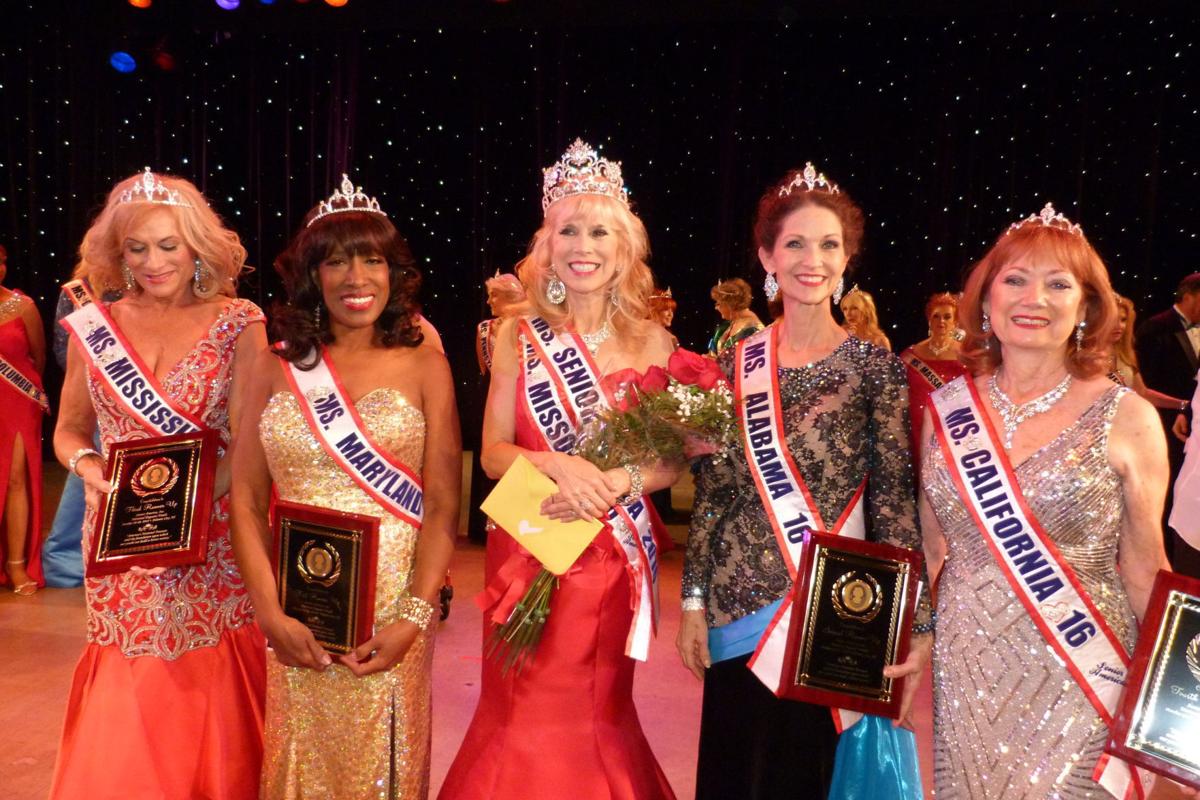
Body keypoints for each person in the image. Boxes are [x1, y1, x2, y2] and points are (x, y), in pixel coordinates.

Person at [678, 162, 931, 799]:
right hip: (737, 613)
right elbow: (713, 494)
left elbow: (895, 504)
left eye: (828, 245)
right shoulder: (732, 364)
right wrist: (691, 602)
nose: (811, 260)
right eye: (794, 243)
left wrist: (914, 625)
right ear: (766, 255)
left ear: (847, 261)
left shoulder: (876, 368)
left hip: (833, 622)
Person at [440, 138, 679, 799]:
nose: (584, 244)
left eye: (600, 230)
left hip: (608, 553)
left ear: (625, 246)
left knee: (591, 708)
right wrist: (554, 464)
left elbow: (668, 460)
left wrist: (618, 483)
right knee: (517, 701)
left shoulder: (657, 343)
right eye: (568, 229)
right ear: (548, 246)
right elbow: (491, 453)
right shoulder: (518, 333)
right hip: (526, 535)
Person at [920, 203, 1171, 797]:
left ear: (1085, 308)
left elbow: (1143, 569)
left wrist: (1175, 701)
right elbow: (934, 551)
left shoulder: (1127, 418)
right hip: (967, 665)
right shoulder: (946, 411)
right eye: (1015, 279)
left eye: (1058, 284)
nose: (1034, 298)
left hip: (1082, 665)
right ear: (985, 301)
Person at [229, 175, 461, 799]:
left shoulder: (426, 364)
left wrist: (414, 617)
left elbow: (442, 506)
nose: (355, 278)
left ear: (394, 272)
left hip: (392, 613)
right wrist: (269, 614)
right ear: (312, 276)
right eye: (335, 261)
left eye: (372, 259)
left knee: (386, 765)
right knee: (298, 762)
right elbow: (247, 504)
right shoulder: (274, 366)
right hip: (297, 613)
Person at [50, 168, 267, 799]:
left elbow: (251, 442)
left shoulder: (239, 322)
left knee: (208, 681)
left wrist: (191, 508)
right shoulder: (97, 328)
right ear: (116, 254)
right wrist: (87, 467)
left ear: (196, 245)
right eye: (137, 249)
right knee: (129, 682)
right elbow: (67, 432)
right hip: (121, 539)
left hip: (215, 533)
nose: (153, 262)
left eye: (168, 245)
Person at [1134, 272, 1200, 576]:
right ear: (1188, 294)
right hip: (1159, 424)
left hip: (1187, 424)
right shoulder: (1154, 328)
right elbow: (1144, 385)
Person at [0, 243, 47, 595]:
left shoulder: (22, 305)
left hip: (17, 399)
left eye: (0, 261)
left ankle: (16, 564)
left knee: (17, 480)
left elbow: (38, 357)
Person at [899, 292, 968, 460]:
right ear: (929, 320)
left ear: (955, 321)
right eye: (936, 316)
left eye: (947, 317)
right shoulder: (910, 355)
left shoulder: (967, 355)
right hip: (916, 426)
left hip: (953, 426)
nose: (941, 321)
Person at [1111, 294, 1189, 413]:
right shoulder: (1083, 357)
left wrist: (1185, 405)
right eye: (1113, 319)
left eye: (1123, 320)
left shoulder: (1125, 354)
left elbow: (1142, 393)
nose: (1119, 326)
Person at [707, 277, 763, 355]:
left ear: (729, 303)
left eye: (718, 304)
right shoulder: (727, 326)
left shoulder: (753, 329)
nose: (716, 308)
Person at [839, 285, 891, 350]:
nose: (848, 314)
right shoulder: (838, 335)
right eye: (845, 309)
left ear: (866, 311)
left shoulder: (880, 340)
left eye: (854, 308)